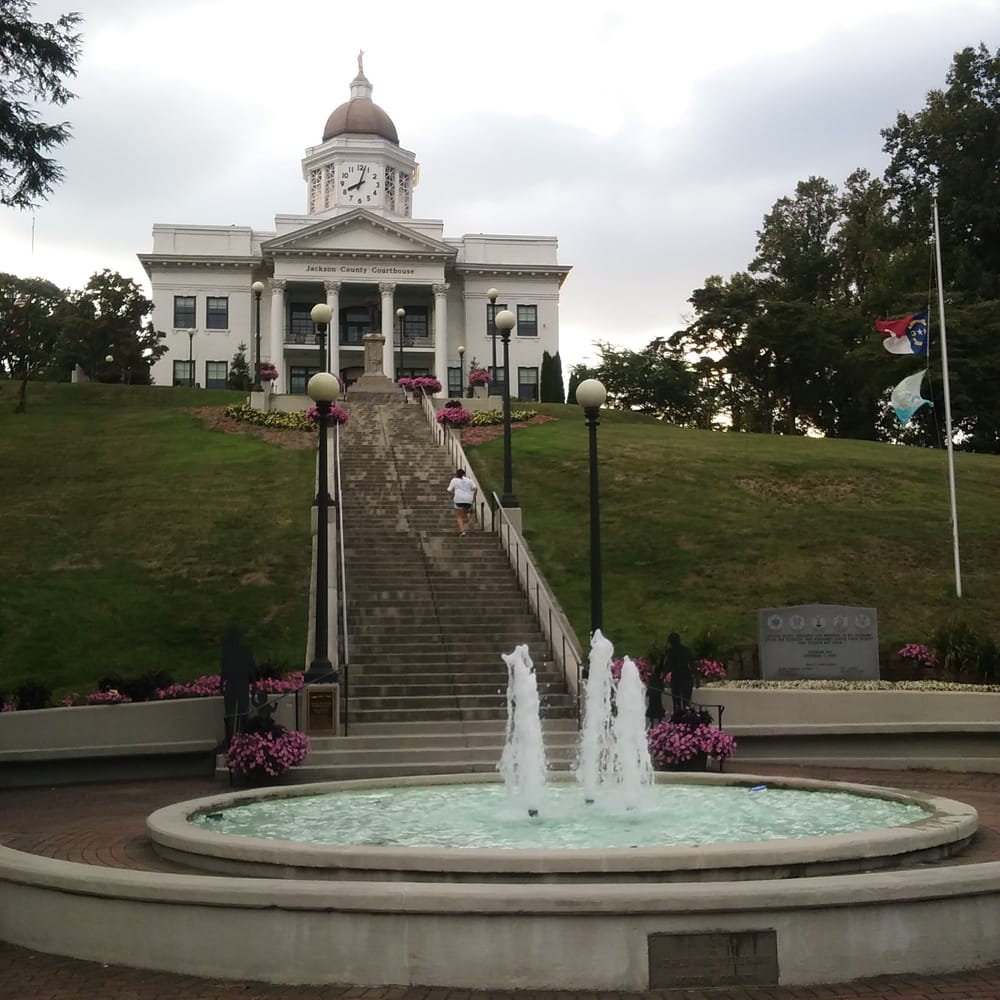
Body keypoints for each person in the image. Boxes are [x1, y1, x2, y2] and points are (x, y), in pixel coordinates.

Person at [220, 626, 256, 748]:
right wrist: (254, 683)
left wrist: (221, 684)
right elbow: (251, 668)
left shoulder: (229, 651)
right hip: (238, 684)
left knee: (239, 711)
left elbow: (224, 670)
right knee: (237, 711)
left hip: (237, 684)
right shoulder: (241, 650)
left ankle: (238, 736)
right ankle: (237, 736)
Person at [666, 631, 695, 713]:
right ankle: (686, 720)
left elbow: (669, 665)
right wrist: (696, 677)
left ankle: (678, 720)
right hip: (686, 676)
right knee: (686, 701)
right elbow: (692, 664)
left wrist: (663, 676)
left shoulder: (670, 651)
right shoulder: (686, 650)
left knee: (676, 702)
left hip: (676, 678)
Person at [446, 467, 477, 536]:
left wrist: (452, 496)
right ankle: (468, 512)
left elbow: (449, 490)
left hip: (458, 499)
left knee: (459, 516)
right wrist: (473, 498)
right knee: (464, 511)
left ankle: (462, 531)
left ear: (457, 474)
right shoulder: (470, 480)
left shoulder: (454, 480)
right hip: (469, 500)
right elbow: (475, 488)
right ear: (464, 474)